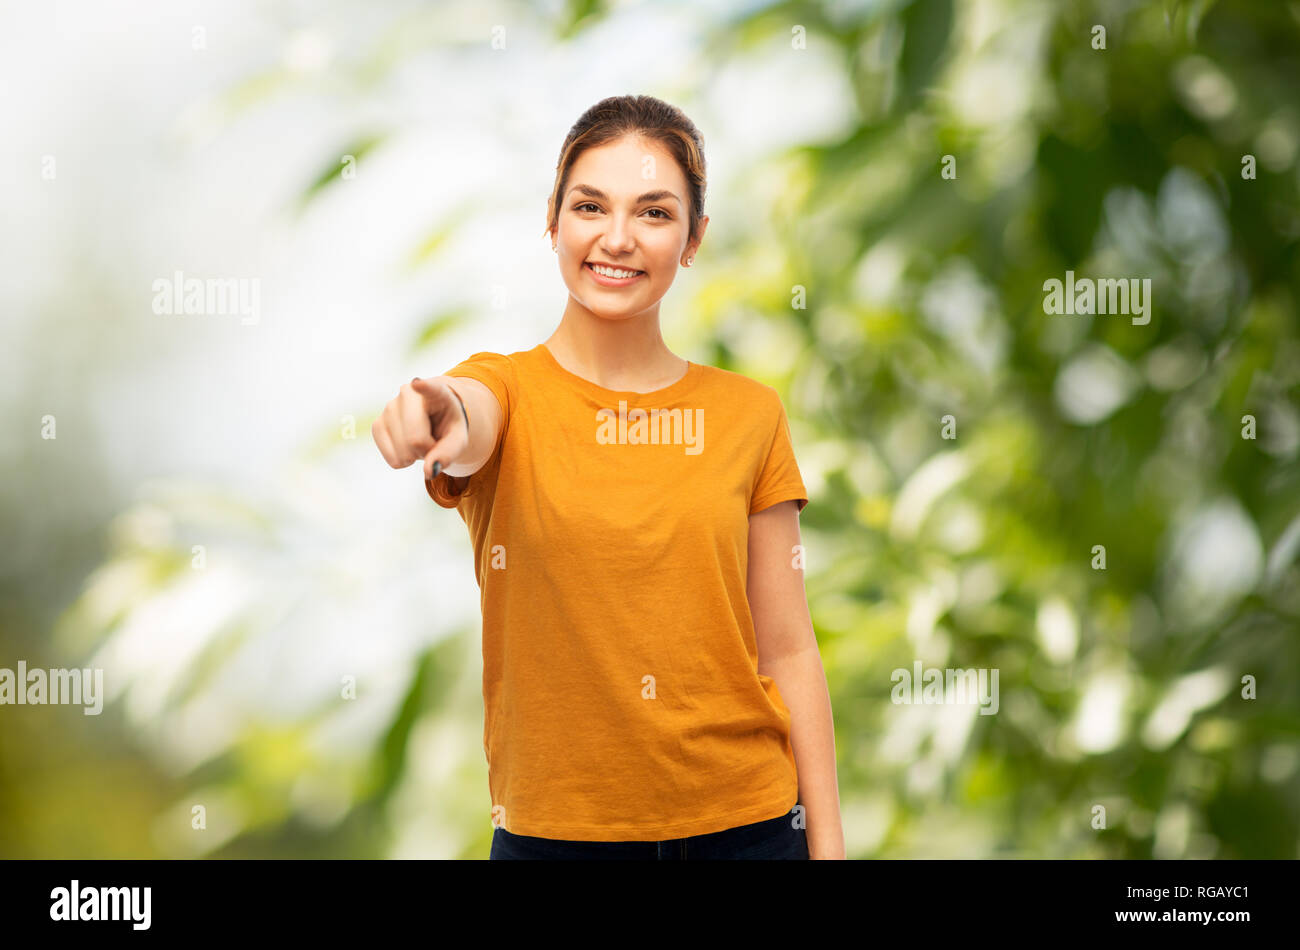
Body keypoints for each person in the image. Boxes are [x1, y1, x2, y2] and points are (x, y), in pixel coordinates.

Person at [372, 94, 844, 860]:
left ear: (694, 239)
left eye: (655, 214)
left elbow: (788, 650)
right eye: (591, 206)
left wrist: (827, 852)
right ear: (553, 219)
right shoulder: (504, 391)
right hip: (555, 842)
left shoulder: (749, 415)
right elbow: (467, 420)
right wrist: (436, 413)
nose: (617, 239)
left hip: (752, 832)